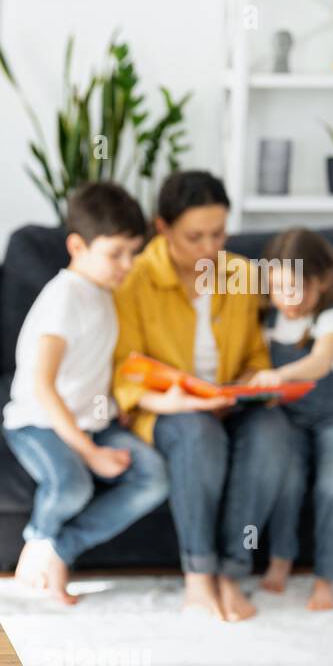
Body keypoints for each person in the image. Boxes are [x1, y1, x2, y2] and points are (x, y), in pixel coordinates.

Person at [112, 171, 295, 622]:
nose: (209, 249)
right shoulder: (134, 279)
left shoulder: (238, 273)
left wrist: (259, 381)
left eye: (218, 234)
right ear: (163, 228)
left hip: (229, 402)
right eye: (195, 237)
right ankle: (198, 574)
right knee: (197, 433)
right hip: (171, 408)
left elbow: (254, 353)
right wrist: (173, 401)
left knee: (273, 429)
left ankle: (231, 571)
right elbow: (124, 369)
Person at [2, 182, 169, 604]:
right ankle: (37, 544)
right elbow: (43, 385)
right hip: (39, 423)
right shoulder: (64, 298)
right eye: (115, 254)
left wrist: (116, 408)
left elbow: (92, 366)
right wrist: (89, 453)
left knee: (153, 477)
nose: (127, 265)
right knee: (73, 486)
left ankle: (61, 550)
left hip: (94, 420)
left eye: (133, 252)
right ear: (77, 245)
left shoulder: (103, 294)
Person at [251, 229, 333, 610]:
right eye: (278, 288)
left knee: (332, 488)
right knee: (289, 484)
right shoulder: (269, 321)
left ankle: (327, 577)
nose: (287, 299)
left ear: (322, 281)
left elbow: (318, 364)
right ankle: (280, 560)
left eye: (296, 289)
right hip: (291, 418)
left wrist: (279, 377)